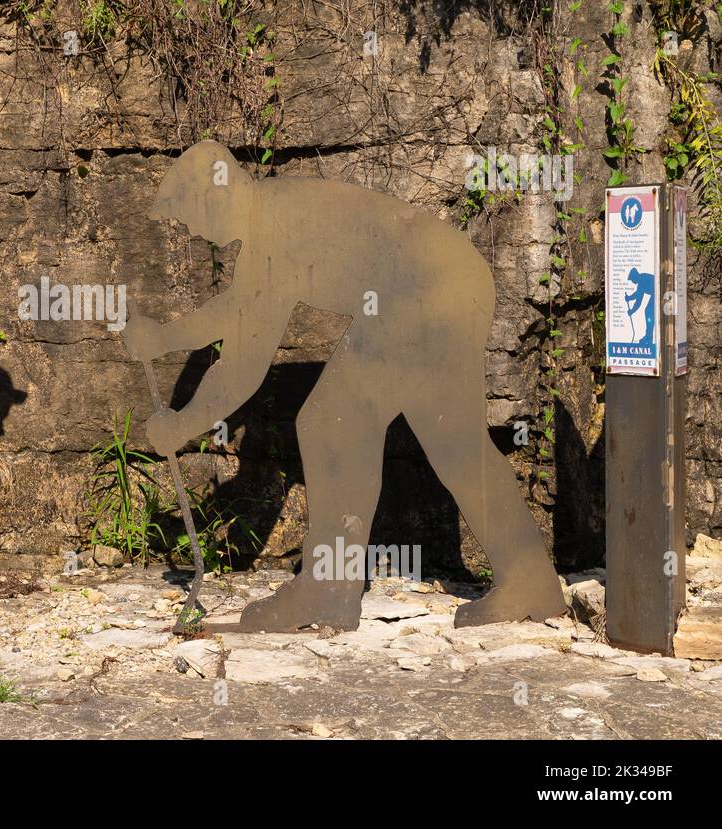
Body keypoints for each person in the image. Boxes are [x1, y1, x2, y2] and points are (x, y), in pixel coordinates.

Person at [123, 142, 565, 632]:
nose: (194, 232)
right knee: (455, 445)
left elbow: (243, 364)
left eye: (190, 217)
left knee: (332, 423)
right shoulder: (275, 212)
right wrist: (164, 339)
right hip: (454, 278)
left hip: (422, 288)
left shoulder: (274, 225)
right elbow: (238, 313)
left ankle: (328, 591)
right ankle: (529, 577)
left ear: (214, 195)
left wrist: (184, 423)